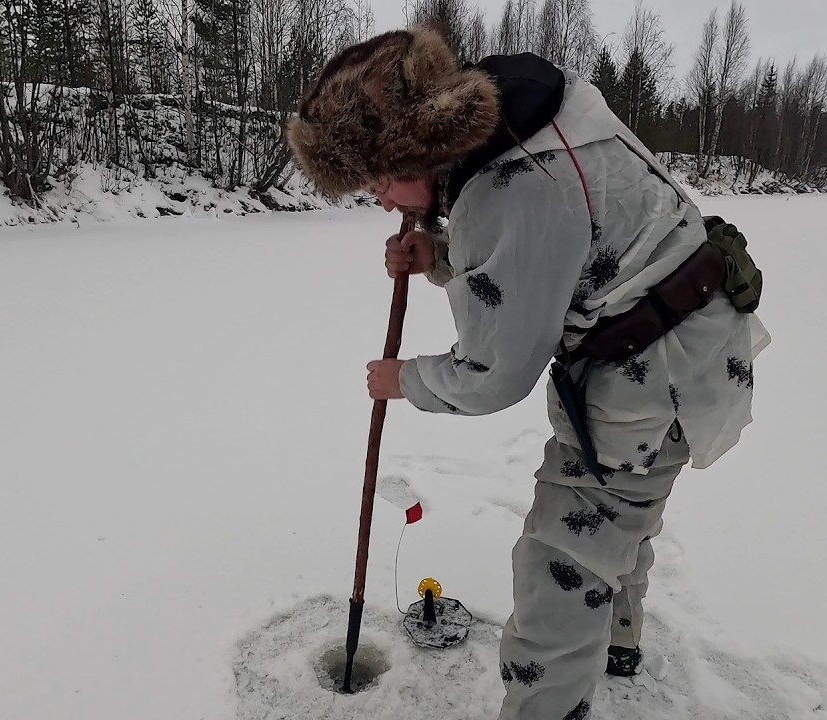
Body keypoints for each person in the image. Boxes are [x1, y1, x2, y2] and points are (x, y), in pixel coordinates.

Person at [286, 26, 769, 720]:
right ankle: (615, 645)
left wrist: (404, 379)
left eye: (379, 180)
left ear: (419, 147)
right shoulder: (533, 114)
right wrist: (441, 255)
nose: (383, 202)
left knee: (563, 562)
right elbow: (551, 255)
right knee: (618, 520)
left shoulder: (512, 186)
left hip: (652, 370)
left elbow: (492, 371)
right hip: (680, 342)